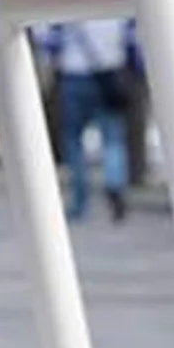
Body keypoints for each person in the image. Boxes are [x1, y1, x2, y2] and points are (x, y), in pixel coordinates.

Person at [39, 17, 136, 222]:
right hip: (109, 75)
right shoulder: (115, 5)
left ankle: (80, 199)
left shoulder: (64, 4)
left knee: (73, 140)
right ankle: (115, 184)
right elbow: (132, 40)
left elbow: (50, 42)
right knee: (112, 139)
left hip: (74, 75)